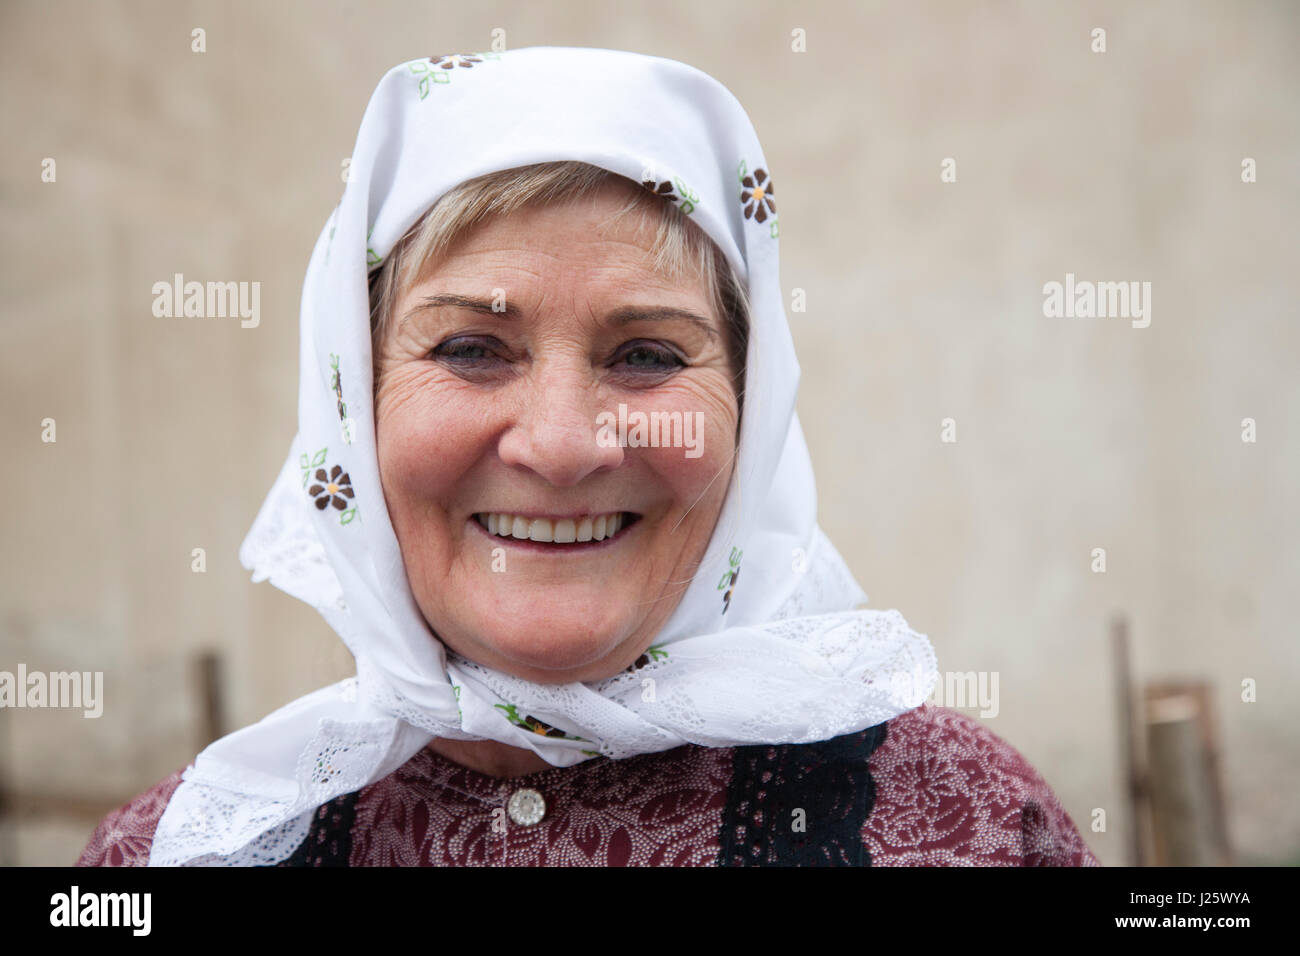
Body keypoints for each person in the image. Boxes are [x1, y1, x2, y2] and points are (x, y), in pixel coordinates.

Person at [78, 46, 1097, 867]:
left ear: (753, 407)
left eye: (648, 354)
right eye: (470, 349)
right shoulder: (176, 853)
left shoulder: (971, 825)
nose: (562, 445)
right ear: (351, 404)